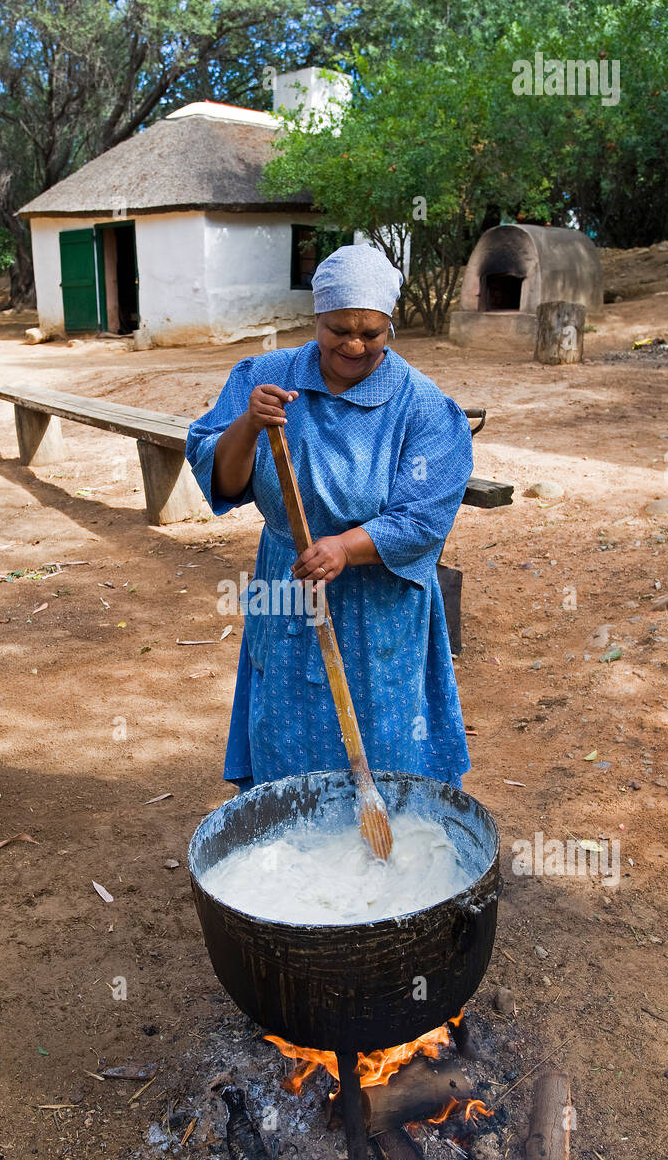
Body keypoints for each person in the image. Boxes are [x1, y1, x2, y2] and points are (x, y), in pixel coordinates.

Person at [185, 243, 473, 792]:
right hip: (288, 580)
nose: (355, 344)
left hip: (379, 596)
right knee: (288, 717)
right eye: (339, 329)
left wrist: (345, 547)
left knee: (383, 728)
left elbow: (426, 516)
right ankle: (293, 835)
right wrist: (248, 424)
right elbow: (220, 479)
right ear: (316, 318)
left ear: (391, 326)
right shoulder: (267, 375)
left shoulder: (422, 405)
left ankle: (392, 839)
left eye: (373, 332)